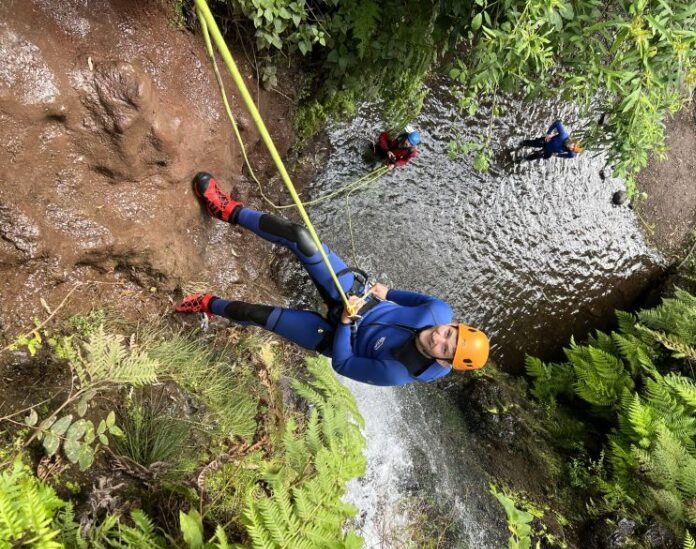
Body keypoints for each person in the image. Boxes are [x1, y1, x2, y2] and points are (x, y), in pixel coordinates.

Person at [176, 173, 490, 386]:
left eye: (445, 348)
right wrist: (388, 291)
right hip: (357, 295)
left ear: (444, 362)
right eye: (450, 333)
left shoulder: (399, 371)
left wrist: (343, 323)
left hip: (334, 335)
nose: (439, 338)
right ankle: (228, 211)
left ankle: (207, 303)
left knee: (256, 314)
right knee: (301, 238)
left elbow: (343, 364)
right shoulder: (438, 310)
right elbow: (416, 300)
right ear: (453, 324)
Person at [518, 120, 582, 161]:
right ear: (573, 141)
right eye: (574, 145)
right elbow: (557, 123)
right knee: (532, 143)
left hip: (548, 152)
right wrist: (548, 133)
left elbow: (571, 156)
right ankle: (520, 143)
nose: (571, 147)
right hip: (546, 141)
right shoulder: (563, 135)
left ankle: (524, 159)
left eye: (573, 149)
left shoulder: (571, 153)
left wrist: (558, 155)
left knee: (535, 156)